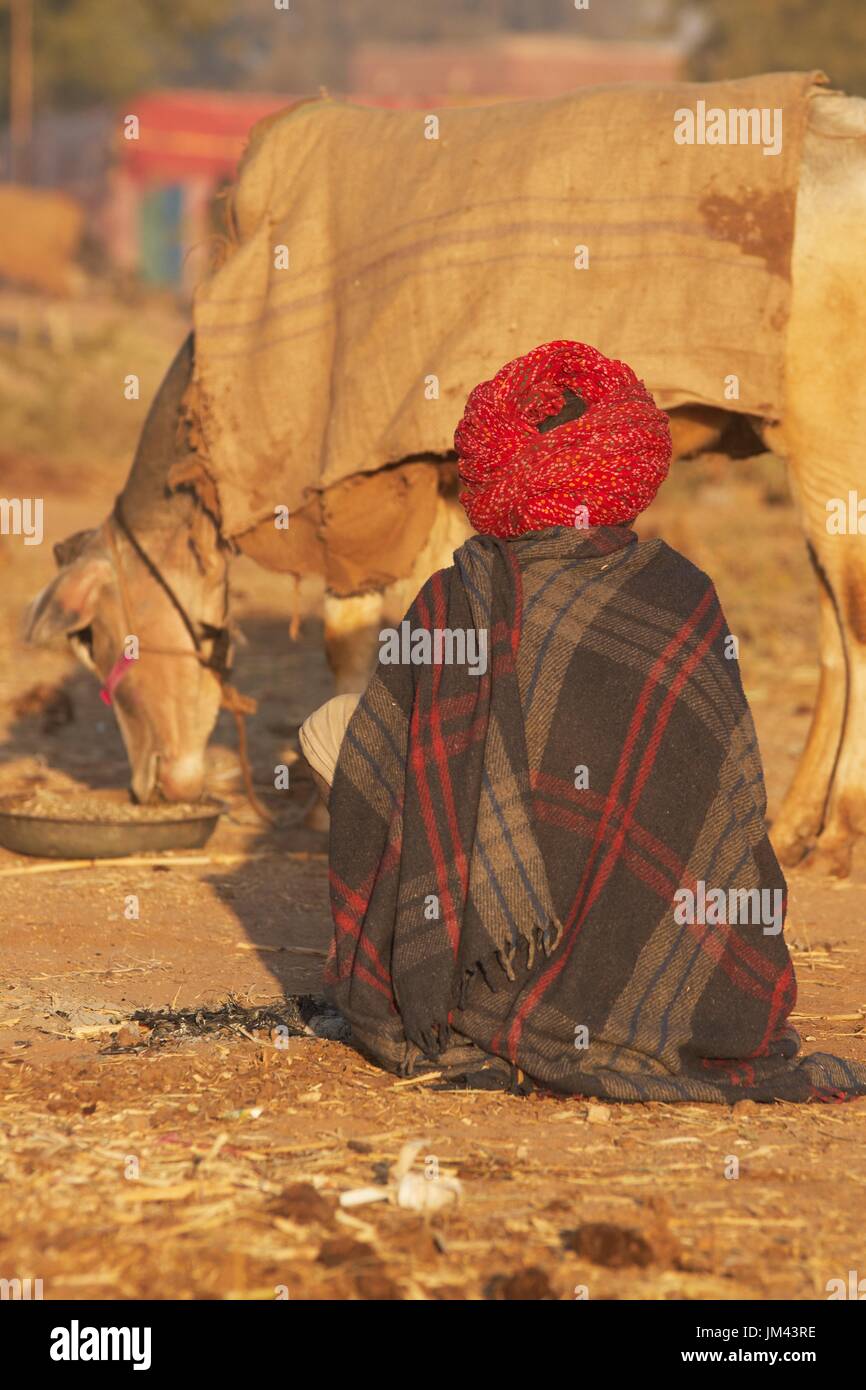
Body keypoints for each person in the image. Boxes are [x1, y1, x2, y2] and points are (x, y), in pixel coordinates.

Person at [300, 340, 866, 1102]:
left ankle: (452, 971)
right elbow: (728, 817)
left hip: (478, 981)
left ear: (494, 468)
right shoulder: (683, 598)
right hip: (679, 987)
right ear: (630, 467)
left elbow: (386, 781)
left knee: (335, 731)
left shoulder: (451, 598)